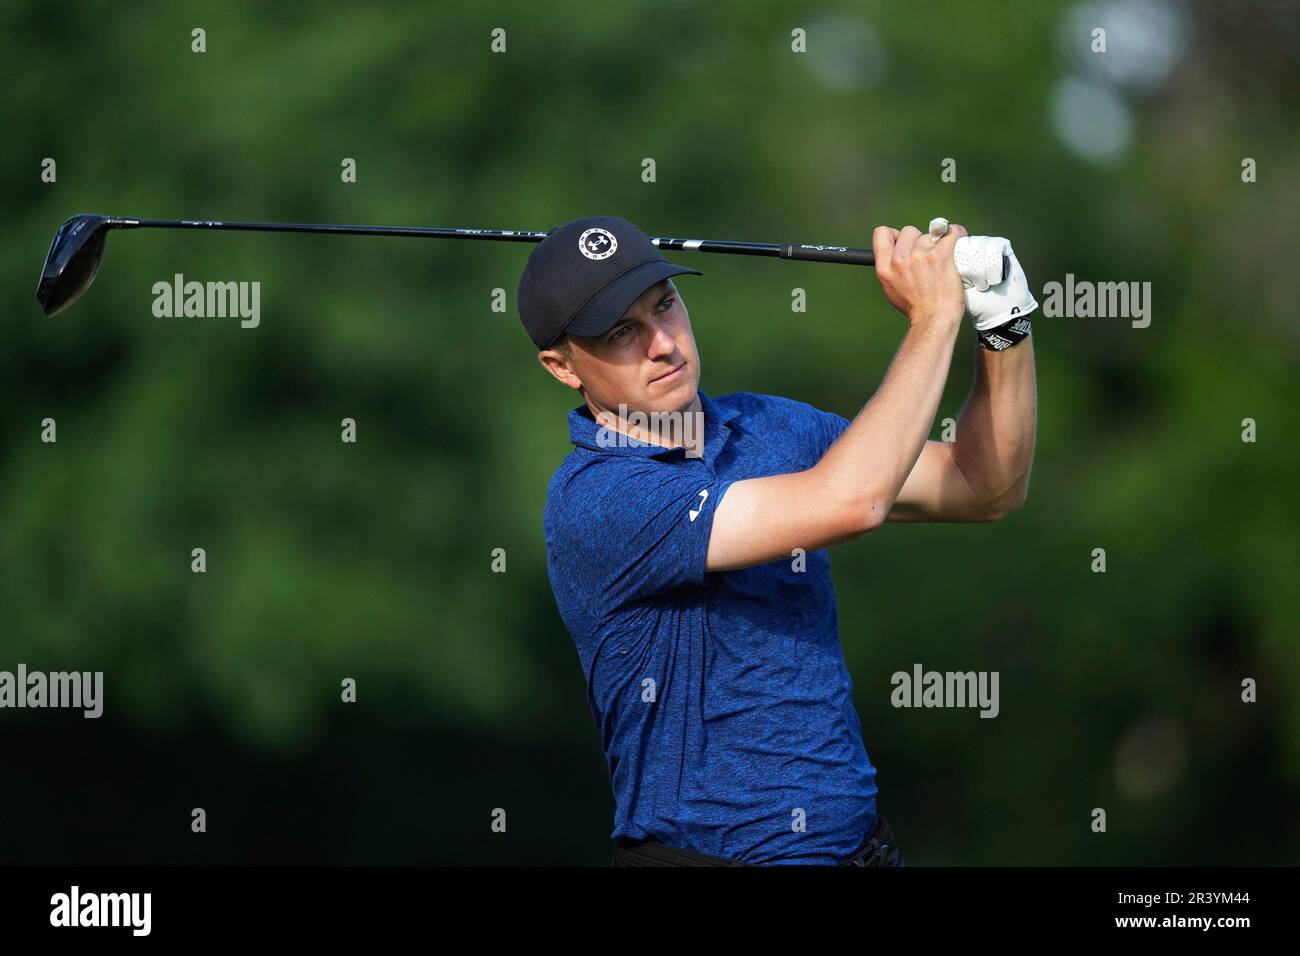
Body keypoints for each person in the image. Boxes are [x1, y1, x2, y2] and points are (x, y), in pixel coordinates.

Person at [517, 215, 1037, 866]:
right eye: (621, 332)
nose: (663, 344)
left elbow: (982, 484)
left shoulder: (772, 428)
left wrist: (1004, 321)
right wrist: (934, 320)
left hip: (861, 849)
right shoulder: (596, 498)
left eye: (665, 305)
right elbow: (852, 501)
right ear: (562, 366)